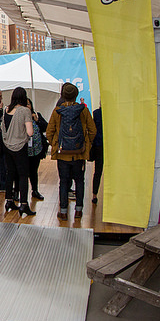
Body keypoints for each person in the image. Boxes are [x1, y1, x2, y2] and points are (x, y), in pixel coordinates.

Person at [46, 83, 97, 221]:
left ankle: (63, 212)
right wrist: (86, 143)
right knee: (79, 181)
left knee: (63, 181)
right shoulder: (83, 111)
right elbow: (93, 130)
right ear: (76, 95)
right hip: (79, 153)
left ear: (63, 95)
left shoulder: (57, 111)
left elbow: (49, 132)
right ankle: (79, 211)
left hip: (62, 154)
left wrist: (55, 144)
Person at [1, 87, 35, 216]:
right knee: (23, 175)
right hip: (20, 146)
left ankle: (9, 201)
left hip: (7, 145)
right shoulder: (25, 111)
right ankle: (24, 204)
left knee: (10, 173)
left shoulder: (7, 109)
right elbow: (30, 132)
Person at [26, 98, 48, 201]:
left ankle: (35, 190)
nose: (27, 106)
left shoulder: (37, 115)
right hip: (24, 149)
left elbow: (45, 127)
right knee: (23, 172)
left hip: (36, 149)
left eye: (28, 104)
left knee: (34, 171)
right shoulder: (20, 117)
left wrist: (37, 120)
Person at [90, 106, 103, 205]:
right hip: (109, 146)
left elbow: (93, 130)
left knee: (97, 171)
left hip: (98, 145)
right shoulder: (114, 113)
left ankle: (95, 194)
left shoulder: (96, 113)